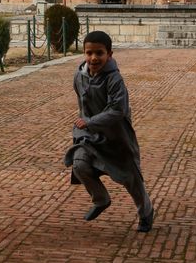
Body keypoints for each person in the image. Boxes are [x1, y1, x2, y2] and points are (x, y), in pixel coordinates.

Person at [63, 30, 154, 232]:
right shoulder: (79, 76)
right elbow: (82, 103)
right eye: (89, 53)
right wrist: (85, 126)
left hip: (117, 137)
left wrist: (91, 122)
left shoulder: (114, 80)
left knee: (131, 180)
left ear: (109, 54)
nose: (94, 58)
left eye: (99, 53)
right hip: (90, 136)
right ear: (84, 53)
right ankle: (101, 199)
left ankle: (145, 212)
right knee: (79, 164)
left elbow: (118, 110)